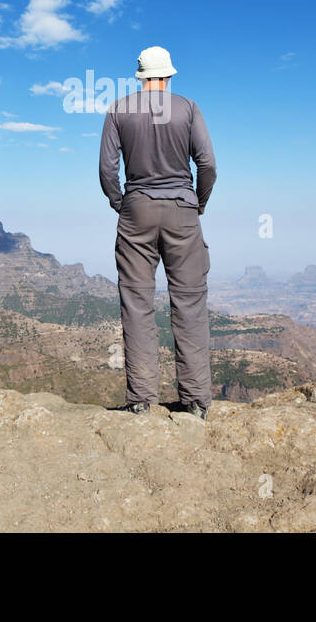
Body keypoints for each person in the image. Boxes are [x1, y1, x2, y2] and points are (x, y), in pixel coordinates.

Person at [99, 46, 217, 418]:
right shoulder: (189, 108)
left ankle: (141, 400)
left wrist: (122, 202)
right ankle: (195, 400)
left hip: (137, 211)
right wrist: (198, 203)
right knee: (189, 303)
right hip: (183, 211)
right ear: (168, 76)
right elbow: (208, 164)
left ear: (140, 76)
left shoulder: (119, 110)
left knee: (136, 302)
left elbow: (106, 170)